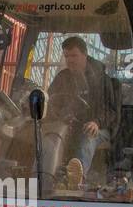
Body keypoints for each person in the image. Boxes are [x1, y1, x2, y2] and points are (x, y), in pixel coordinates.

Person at [48, 36, 118, 178]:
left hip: (99, 128)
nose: (70, 60)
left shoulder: (101, 79)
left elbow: (111, 110)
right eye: (67, 56)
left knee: (88, 135)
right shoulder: (62, 77)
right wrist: (58, 114)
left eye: (74, 55)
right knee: (50, 135)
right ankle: (43, 176)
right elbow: (50, 101)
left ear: (85, 54)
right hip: (70, 125)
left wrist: (97, 122)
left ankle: (75, 179)